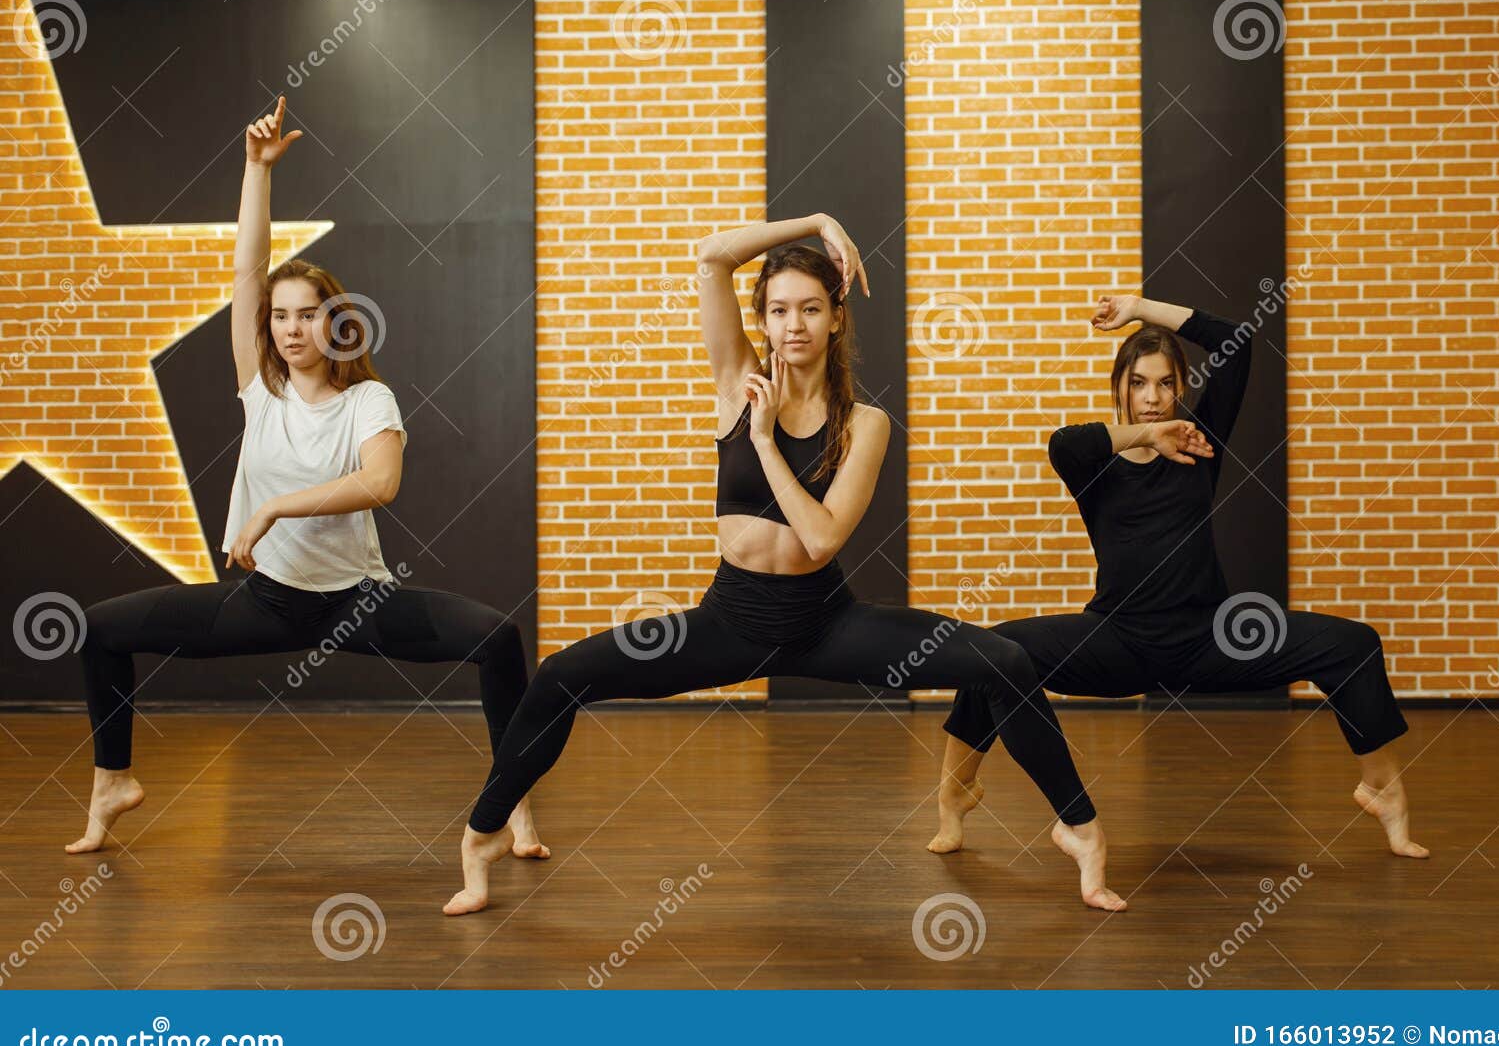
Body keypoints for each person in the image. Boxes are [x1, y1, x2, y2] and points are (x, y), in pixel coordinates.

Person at [444, 213, 1125, 915]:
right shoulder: (735, 380)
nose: (792, 324)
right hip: (729, 621)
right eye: (777, 310)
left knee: (1005, 661)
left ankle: (1080, 829)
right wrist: (820, 222)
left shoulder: (865, 423)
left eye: (809, 308)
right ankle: (486, 832)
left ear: (835, 318)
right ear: (761, 322)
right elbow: (711, 257)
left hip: (826, 623)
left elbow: (822, 539)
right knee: (560, 676)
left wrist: (766, 442)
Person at [66, 96, 545, 860]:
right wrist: (256, 170)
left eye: (307, 314)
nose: (291, 328)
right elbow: (247, 268)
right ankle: (112, 782)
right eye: (281, 316)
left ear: (336, 322)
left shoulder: (368, 399)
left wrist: (273, 510)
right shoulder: (261, 389)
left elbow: (380, 484)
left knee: (496, 639)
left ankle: (511, 804)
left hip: (358, 602)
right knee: (98, 629)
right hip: (268, 602)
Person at [927, 292, 1428, 879]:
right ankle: (956, 792)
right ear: (1120, 387)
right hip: (1117, 640)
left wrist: (1142, 307)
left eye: (1165, 384)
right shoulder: (1095, 461)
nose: (1152, 398)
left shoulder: (1200, 443)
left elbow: (1238, 340)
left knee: (1354, 643)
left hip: (1212, 637)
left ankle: (1381, 788)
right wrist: (1144, 437)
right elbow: (1065, 442)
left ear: (1180, 388)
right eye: (1139, 383)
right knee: (994, 652)